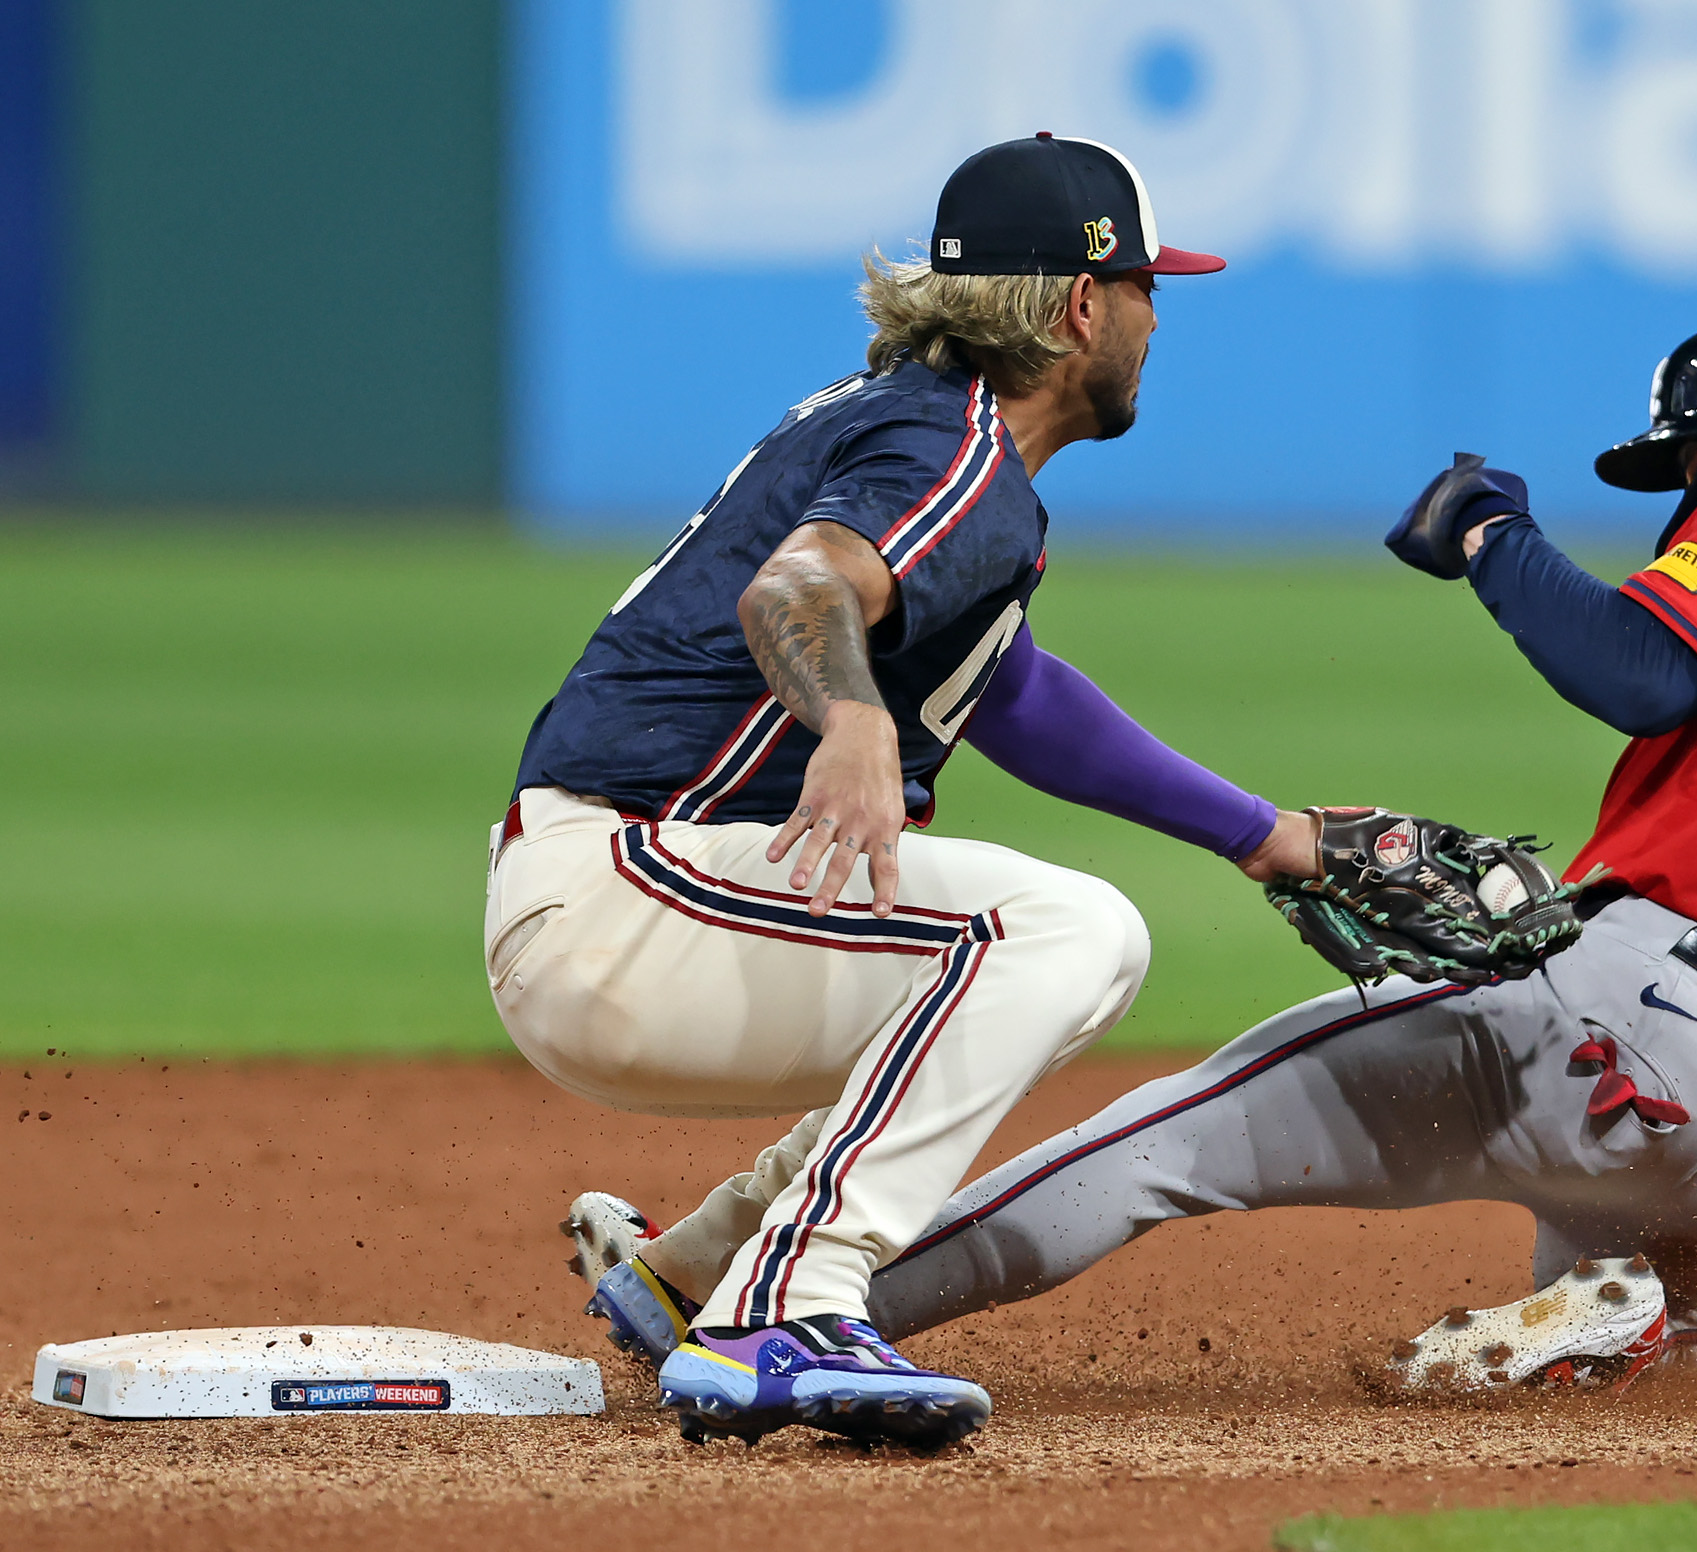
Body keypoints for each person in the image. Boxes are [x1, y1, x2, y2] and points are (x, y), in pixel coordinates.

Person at [576, 309, 1697, 1407]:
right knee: (1644, 1303)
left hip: (1626, 1026)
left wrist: (1496, 535)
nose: (1685, 498)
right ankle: (1639, 1313)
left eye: (1696, 468)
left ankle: (771, 1301)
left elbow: (1636, 669)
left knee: (1164, 1139)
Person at [493, 134, 1333, 1449]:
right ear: (1076, 306)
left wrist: (1269, 840)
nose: (1156, 320)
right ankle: (790, 1300)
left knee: (993, 977)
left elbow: (1016, 697)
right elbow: (797, 586)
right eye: (1145, 290)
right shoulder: (951, 450)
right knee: (1061, 932)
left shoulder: (931, 445)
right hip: (629, 894)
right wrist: (847, 718)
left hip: (644, 902)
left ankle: (698, 1272)